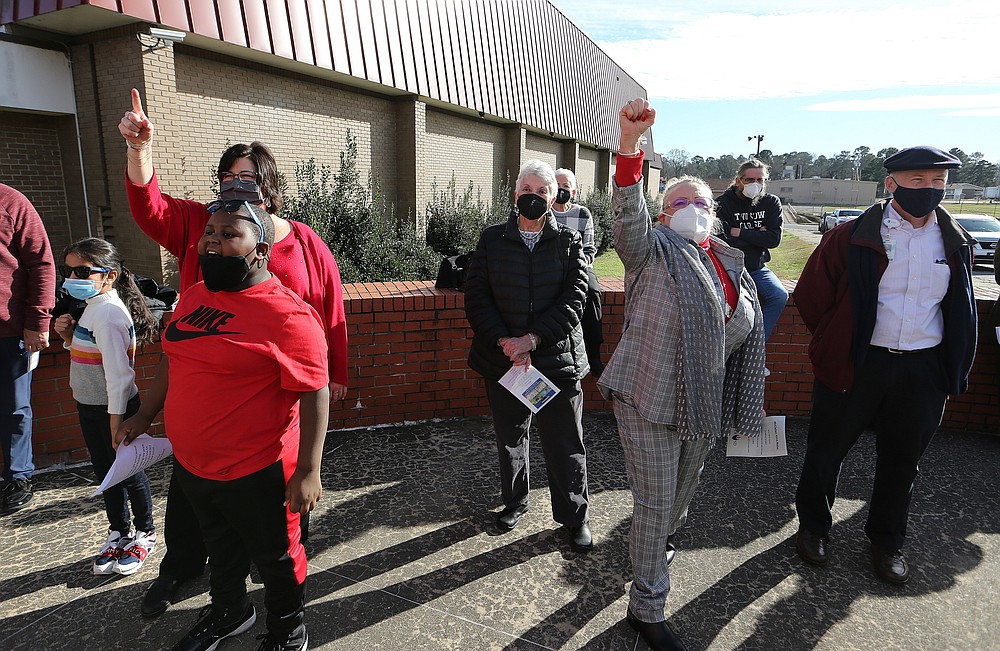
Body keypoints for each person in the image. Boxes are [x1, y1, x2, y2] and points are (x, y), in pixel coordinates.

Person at [118, 88, 348, 616]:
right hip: (205, 406)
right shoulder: (206, 225)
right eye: (228, 179)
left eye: (249, 179)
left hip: (269, 411)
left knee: (275, 523)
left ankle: (278, 598)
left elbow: (329, 309)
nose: (236, 188)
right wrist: (140, 152)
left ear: (270, 190)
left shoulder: (305, 243)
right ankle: (182, 573)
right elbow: (150, 210)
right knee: (193, 510)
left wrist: (336, 372)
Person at [117, 202, 329, 651]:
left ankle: (288, 632)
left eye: (229, 233)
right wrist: (143, 415)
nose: (212, 239)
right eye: (209, 231)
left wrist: (309, 471)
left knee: (275, 558)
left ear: (260, 250)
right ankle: (230, 612)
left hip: (258, 471)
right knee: (220, 547)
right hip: (194, 465)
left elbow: (315, 391)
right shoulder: (193, 297)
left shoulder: (288, 316)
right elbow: (172, 362)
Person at [598, 99, 766, 651]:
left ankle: (657, 545)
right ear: (663, 214)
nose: (689, 206)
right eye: (677, 201)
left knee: (677, 499)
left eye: (698, 200)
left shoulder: (729, 263)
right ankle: (647, 608)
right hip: (647, 398)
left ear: (713, 214)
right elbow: (626, 218)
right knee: (653, 502)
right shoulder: (651, 250)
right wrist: (630, 148)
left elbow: (736, 334)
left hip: (701, 403)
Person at [793, 146, 977, 585]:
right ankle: (814, 527)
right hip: (859, 364)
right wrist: (842, 339)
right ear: (891, 183)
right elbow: (813, 297)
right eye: (918, 181)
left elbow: (957, 305)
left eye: (938, 183)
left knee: (903, 461)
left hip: (922, 369)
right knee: (826, 451)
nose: (929, 190)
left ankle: (887, 540)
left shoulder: (954, 240)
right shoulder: (851, 235)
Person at [464, 159, 593, 553]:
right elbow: (477, 296)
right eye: (526, 190)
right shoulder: (491, 240)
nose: (532, 197)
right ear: (514, 194)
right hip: (503, 360)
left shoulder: (570, 243)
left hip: (556, 362)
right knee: (510, 438)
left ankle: (574, 517)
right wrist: (505, 340)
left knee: (565, 442)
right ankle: (515, 501)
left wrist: (532, 340)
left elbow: (575, 301)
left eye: (542, 191)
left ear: (554, 199)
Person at [53, 238, 160, 575]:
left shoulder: (109, 314)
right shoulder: (92, 309)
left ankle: (144, 533)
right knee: (107, 474)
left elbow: (119, 376)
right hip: (91, 406)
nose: (72, 277)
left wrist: (116, 423)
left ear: (109, 275)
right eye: (68, 270)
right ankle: (120, 531)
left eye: (83, 271)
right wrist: (69, 337)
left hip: (114, 409)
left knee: (128, 472)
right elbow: (90, 360)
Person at [0, 184, 55, 514]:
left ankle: (17, 476)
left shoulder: (10, 201)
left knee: (15, 409)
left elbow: (41, 263)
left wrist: (38, 321)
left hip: (8, 332)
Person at [716, 159, 788, 343]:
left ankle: (756, 345)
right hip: (729, 270)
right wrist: (757, 236)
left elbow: (773, 240)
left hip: (757, 268)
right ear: (739, 180)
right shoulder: (722, 204)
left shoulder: (771, 202)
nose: (755, 184)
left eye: (760, 180)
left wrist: (739, 232)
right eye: (749, 180)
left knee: (779, 295)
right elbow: (722, 241)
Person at [552, 168, 604, 377]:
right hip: (552, 267)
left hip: (579, 266)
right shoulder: (544, 211)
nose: (561, 190)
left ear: (573, 192)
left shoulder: (582, 213)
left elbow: (589, 248)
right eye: (557, 185)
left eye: (566, 186)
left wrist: (578, 266)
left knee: (591, 293)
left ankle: (594, 354)